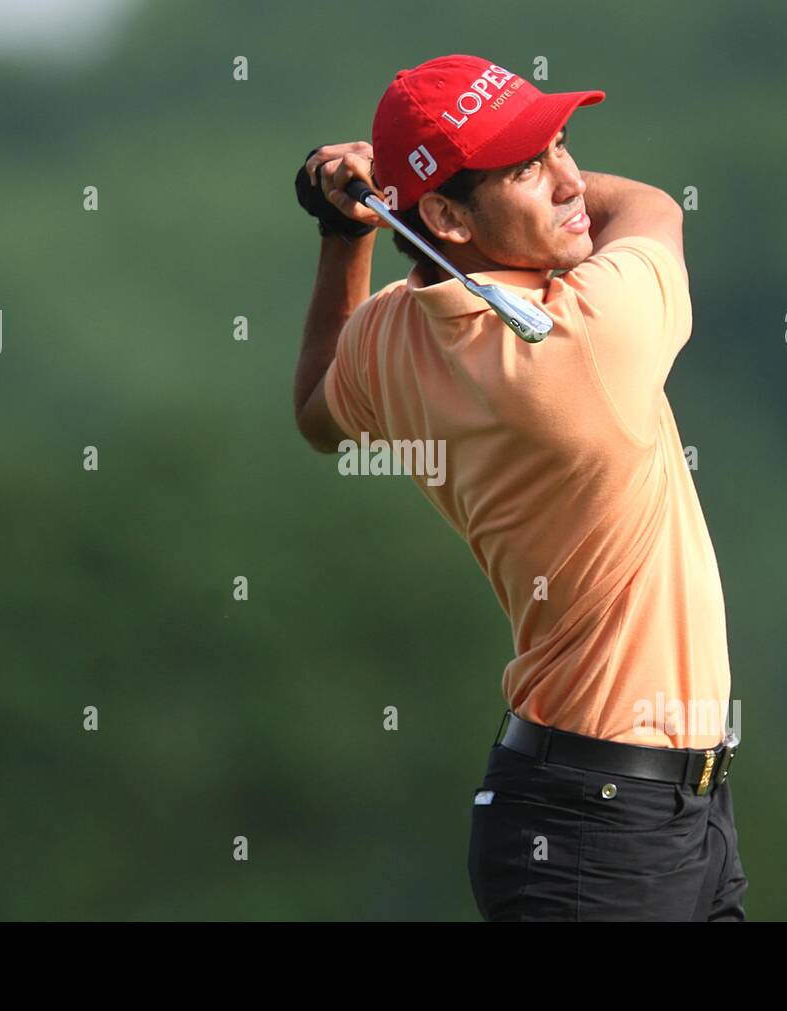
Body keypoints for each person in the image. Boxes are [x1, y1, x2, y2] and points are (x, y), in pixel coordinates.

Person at [292, 54, 747, 921]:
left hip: (639, 814)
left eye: (564, 145)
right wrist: (390, 192)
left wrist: (346, 230)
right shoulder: (587, 336)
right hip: (603, 831)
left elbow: (317, 411)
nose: (570, 180)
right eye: (528, 167)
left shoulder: (392, 339)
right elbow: (650, 207)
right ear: (446, 217)